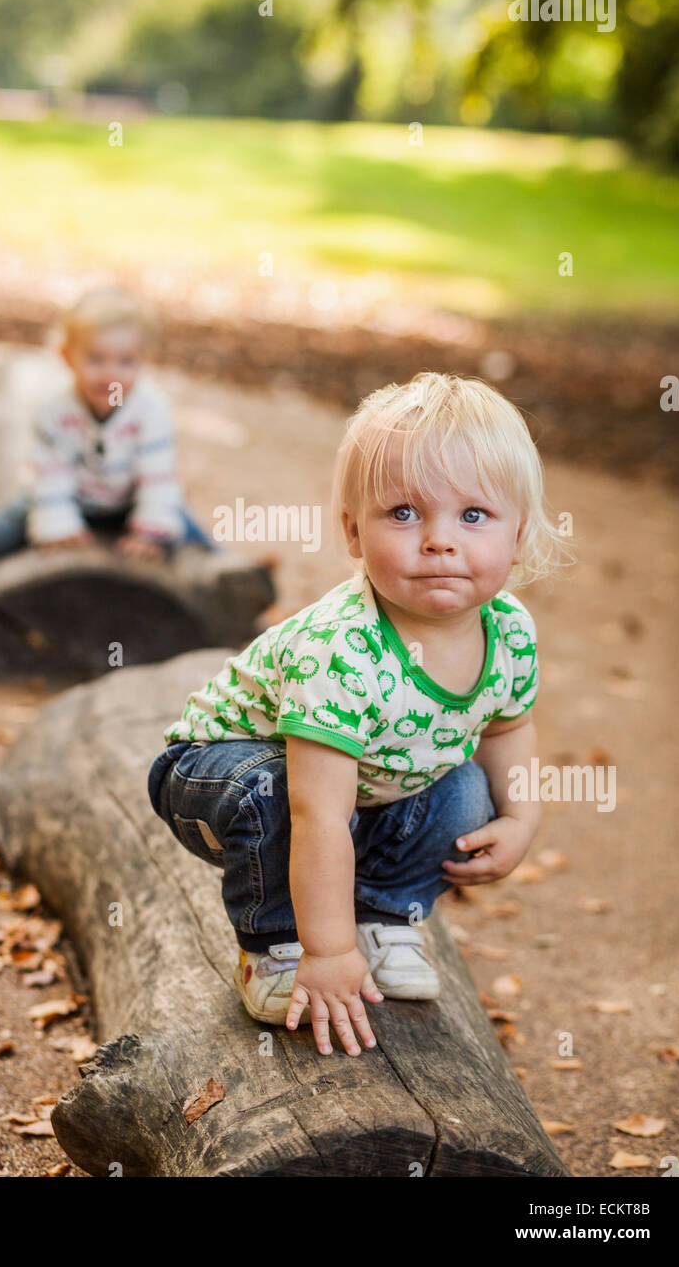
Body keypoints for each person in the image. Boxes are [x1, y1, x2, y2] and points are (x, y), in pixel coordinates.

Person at [147, 371, 571, 1057]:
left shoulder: (510, 631)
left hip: (361, 791)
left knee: (465, 787)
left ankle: (384, 913)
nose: (439, 540)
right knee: (277, 791)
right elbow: (317, 813)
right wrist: (327, 949)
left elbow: (507, 728)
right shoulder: (341, 650)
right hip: (220, 775)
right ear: (352, 530)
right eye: (403, 513)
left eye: (473, 515)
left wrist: (523, 818)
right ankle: (275, 942)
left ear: (518, 535)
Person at [0, 286, 215, 635]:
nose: (110, 374)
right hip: (70, 496)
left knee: (186, 524)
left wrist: (151, 530)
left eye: (125, 361)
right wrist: (59, 524)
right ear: (67, 356)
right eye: (95, 359)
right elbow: (52, 473)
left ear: (145, 361)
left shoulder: (152, 410)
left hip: (128, 500)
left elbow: (157, 475)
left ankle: (232, 583)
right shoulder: (56, 412)